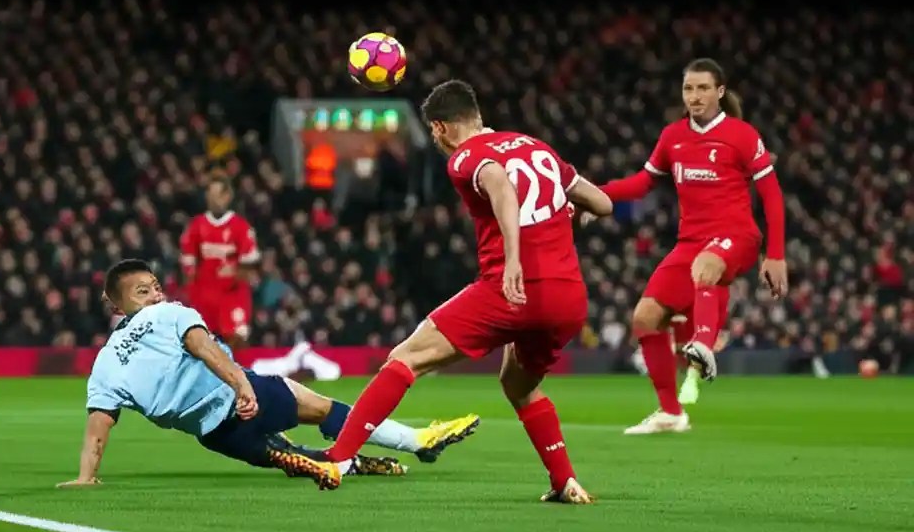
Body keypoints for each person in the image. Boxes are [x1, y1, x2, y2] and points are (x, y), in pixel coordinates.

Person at [295, 80, 612, 502]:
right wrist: (576, 215)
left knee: (405, 358)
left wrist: (513, 259)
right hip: (567, 298)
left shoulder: (467, 156)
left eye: (433, 131)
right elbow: (603, 203)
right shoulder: (536, 147)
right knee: (519, 385)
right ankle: (564, 480)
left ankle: (336, 458)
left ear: (440, 127)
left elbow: (501, 186)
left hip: (509, 290)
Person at [60, 259, 481, 489]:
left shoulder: (104, 365)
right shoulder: (168, 313)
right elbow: (203, 347)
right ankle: (415, 441)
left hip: (217, 436)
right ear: (118, 304)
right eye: (144, 291)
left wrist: (85, 477)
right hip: (246, 395)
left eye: (155, 286)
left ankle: (352, 463)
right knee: (323, 409)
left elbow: (99, 425)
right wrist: (242, 384)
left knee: (300, 461)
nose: (156, 294)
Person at [592, 58, 787, 435]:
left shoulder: (742, 135)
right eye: (688, 89)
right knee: (645, 318)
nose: (694, 96)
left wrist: (776, 254)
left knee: (706, 265)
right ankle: (671, 412)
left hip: (737, 236)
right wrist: (591, 194)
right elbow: (641, 184)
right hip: (690, 242)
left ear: (720, 92)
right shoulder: (673, 137)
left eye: (702, 88)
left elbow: (772, 195)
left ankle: (703, 344)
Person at [179, 174, 260, 348]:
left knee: (237, 340)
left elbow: (248, 265)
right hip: (204, 295)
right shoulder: (196, 226)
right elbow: (188, 264)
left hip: (232, 295)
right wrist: (192, 292)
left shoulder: (241, 227)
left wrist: (232, 280)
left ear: (228, 196)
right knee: (202, 344)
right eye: (211, 194)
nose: (215, 199)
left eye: (219, 194)